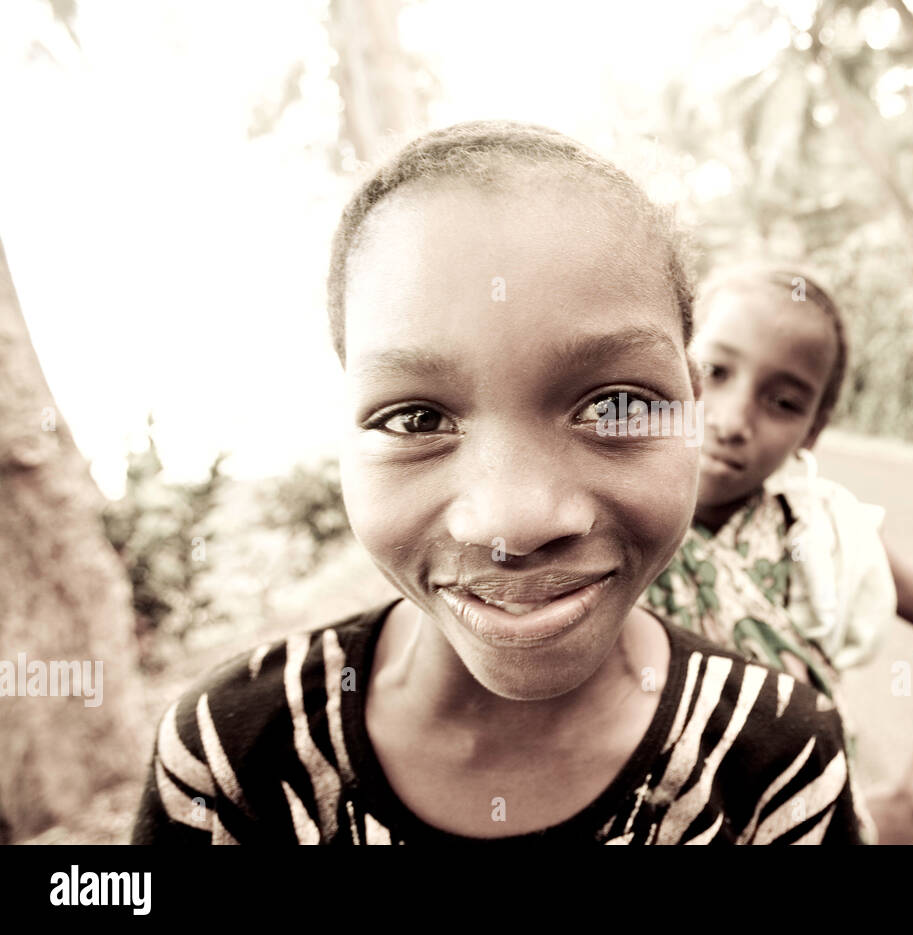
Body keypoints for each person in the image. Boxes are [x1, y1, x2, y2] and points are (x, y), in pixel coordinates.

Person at [130, 124, 863, 845]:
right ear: (344, 429)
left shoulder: (777, 762)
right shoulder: (231, 759)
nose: (513, 520)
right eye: (414, 417)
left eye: (616, 406)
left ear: (692, 411)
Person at [641, 264, 913, 844]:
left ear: (814, 429)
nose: (733, 420)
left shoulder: (824, 534)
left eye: (784, 401)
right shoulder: (620, 519)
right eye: (714, 372)